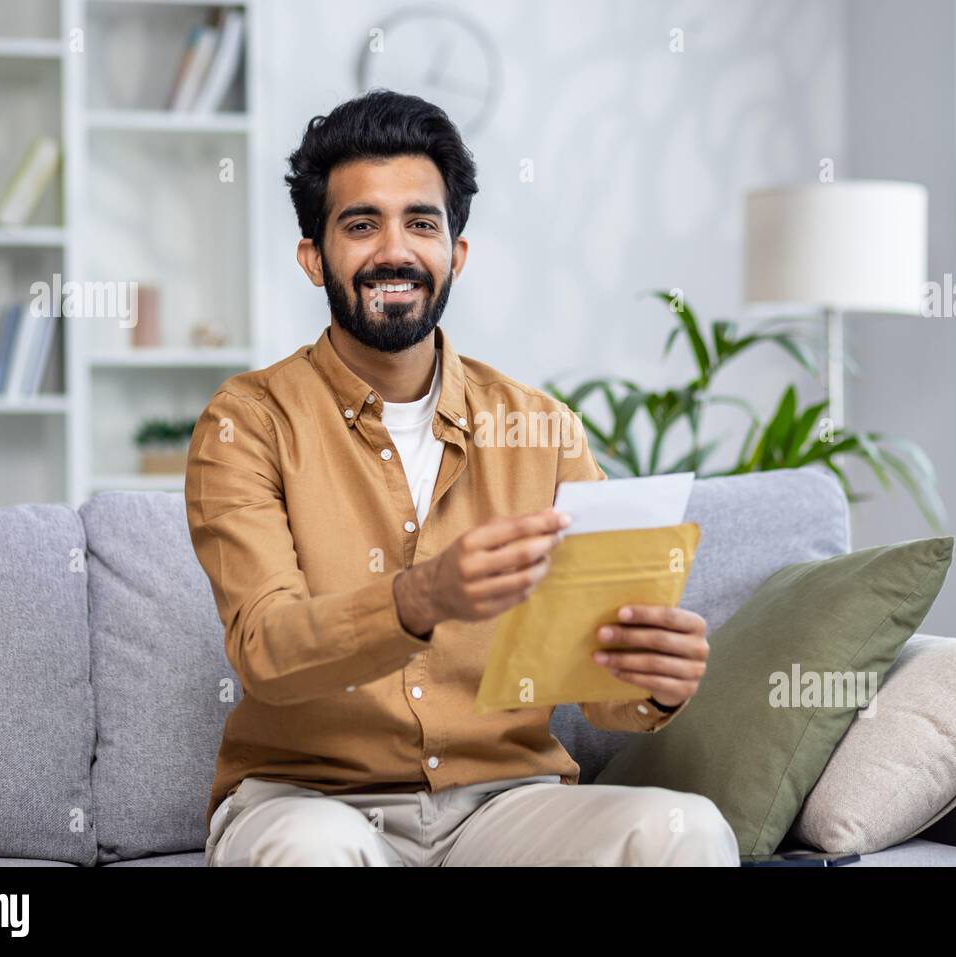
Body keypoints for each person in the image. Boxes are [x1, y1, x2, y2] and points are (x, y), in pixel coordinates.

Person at [185, 89, 738, 866]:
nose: (394, 250)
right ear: (313, 257)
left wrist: (655, 680)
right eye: (360, 223)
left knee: (689, 831)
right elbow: (266, 649)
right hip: (310, 800)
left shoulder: (541, 427)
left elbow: (600, 682)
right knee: (313, 852)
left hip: (503, 804)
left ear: (456, 253)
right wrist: (420, 597)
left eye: (421, 222)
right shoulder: (247, 421)